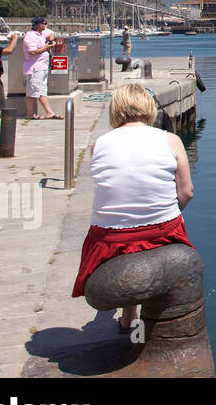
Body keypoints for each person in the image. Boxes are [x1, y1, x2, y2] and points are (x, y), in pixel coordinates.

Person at [72, 84, 194, 331]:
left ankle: (129, 317)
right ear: (149, 108)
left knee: (128, 230)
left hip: (109, 239)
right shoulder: (171, 140)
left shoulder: (99, 144)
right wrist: (165, 212)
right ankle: (149, 318)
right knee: (147, 230)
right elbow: (187, 192)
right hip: (163, 231)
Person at [22, 16, 60, 120]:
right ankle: (29, 113)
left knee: (42, 90)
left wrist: (51, 41)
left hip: (43, 67)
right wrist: (46, 48)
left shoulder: (42, 33)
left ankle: (49, 112)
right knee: (32, 91)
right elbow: (32, 52)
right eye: (45, 23)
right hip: (35, 68)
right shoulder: (30, 36)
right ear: (40, 25)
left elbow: (50, 33)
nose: (46, 25)